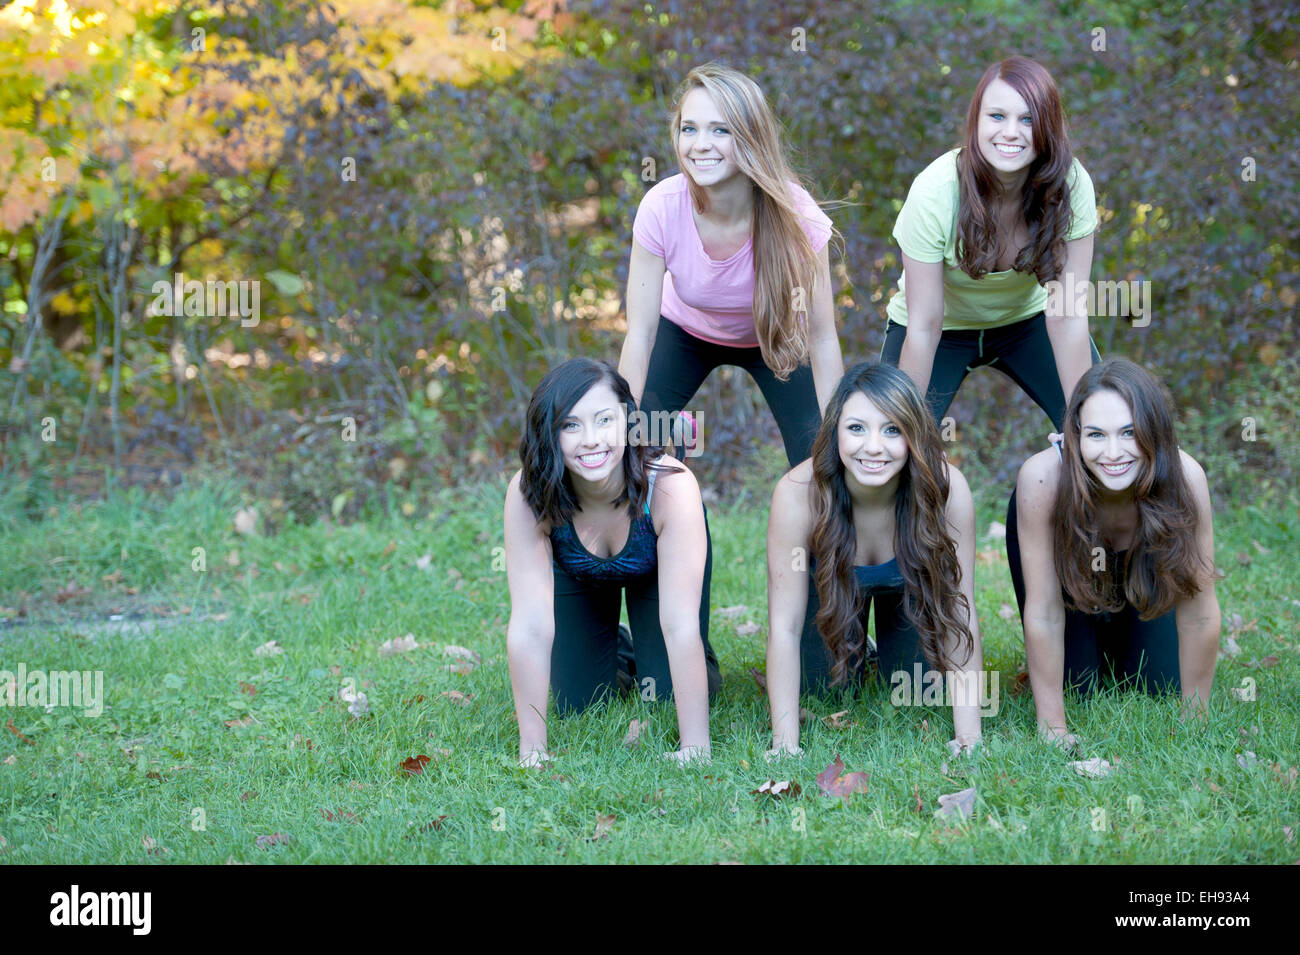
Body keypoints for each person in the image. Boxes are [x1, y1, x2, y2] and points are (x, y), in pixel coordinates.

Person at [620, 62, 842, 468]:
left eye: (720, 130)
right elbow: (640, 333)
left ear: (751, 137)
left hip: (773, 335)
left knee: (820, 462)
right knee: (638, 448)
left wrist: (839, 435)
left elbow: (822, 337)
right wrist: (627, 431)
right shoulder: (661, 208)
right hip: (684, 332)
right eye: (690, 129)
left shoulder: (798, 216)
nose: (700, 144)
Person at [504, 358, 721, 767]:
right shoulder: (529, 491)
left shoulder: (672, 487)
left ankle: (669, 651)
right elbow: (530, 626)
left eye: (604, 420)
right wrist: (532, 750)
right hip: (579, 574)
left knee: (663, 696)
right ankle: (619, 643)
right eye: (570, 425)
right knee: (579, 704)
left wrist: (695, 746)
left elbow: (679, 625)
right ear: (548, 433)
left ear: (629, 420)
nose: (590, 440)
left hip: (658, 568)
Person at [765, 362, 984, 756]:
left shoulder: (947, 489)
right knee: (820, 689)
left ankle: (882, 643)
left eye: (892, 429)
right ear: (834, 431)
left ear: (914, 434)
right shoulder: (798, 493)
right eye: (856, 428)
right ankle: (854, 645)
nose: (873, 447)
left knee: (915, 689)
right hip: (830, 592)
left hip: (907, 591)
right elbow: (785, 625)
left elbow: (960, 609)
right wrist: (785, 745)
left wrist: (969, 737)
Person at [1007, 359, 1220, 748]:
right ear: (1073, 436)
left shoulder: (1186, 478)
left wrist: (1197, 719)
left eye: (1128, 432)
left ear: (1153, 431)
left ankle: (1123, 628)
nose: (1113, 452)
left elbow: (1200, 610)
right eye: (1096, 435)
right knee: (1079, 685)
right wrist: (1053, 728)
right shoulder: (1042, 479)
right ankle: (1090, 634)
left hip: (1141, 565)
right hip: (1072, 565)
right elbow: (1043, 612)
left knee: (1158, 685)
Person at [881, 55, 1099, 430]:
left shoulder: (1072, 186)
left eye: (1028, 119)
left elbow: (1068, 313)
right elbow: (925, 324)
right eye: (997, 117)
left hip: (1028, 322)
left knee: (1097, 431)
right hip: (939, 325)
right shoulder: (935, 192)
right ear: (976, 122)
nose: (1011, 132)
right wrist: (904, 433)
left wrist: (1088, 426)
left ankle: (1038, 487)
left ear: (1049, 126)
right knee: (894, 443)